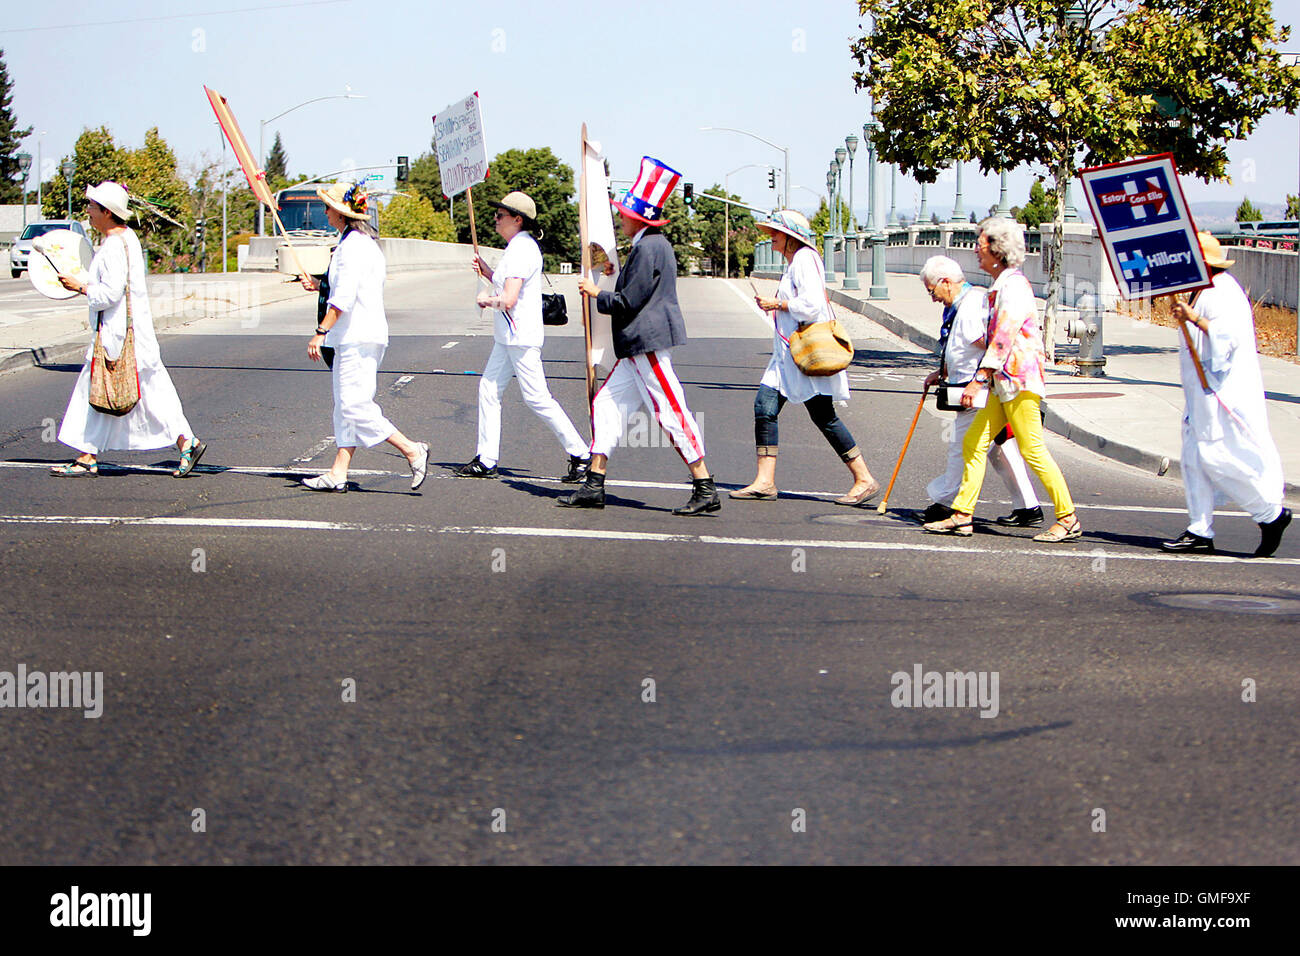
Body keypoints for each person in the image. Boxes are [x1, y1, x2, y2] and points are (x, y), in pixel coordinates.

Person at [564, 156, 719, 515]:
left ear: (638, 217)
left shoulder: (648, 247)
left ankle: (705, 485)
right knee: (605, 405)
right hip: (637, 347)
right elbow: (637, 288)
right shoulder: (652, 244)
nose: (619, 217)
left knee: (671, 411)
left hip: (645, 344)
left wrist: (594, 292)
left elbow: (628, 300)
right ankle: (594, 483)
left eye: (623, 212)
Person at [923, 217, 1081, 541]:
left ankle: (1067, 518)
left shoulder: (1014, 286)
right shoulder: (1001, 285)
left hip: (1019, 380)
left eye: (981, 246)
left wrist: (978, 379)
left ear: (997, 251)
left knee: (1032, 448)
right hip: (1003, 382)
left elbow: (1003, 337)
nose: (976, 252)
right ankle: (962, 515)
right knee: (974, 442)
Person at [51, 181, 206, 478]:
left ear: (107, 212)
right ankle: (183, 442)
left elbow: (110, 294)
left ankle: (184, 442)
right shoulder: (128, 238)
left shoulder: (112, 247)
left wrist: (80, 286)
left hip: (120, 338)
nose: (88, 212)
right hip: (133, 335)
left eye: (92, 207)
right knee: (144, 393)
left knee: (99, 390)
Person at [731, 209, 879, 504]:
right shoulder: (795, 262)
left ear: (789, 236)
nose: (769, 237)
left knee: (823, 416)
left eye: (775, 233)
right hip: (788, 357)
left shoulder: (804, 260)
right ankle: (764, 481)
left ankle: (863, 478)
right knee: (765, 407)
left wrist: (777, 303)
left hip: (804, 356)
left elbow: (810, 305)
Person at [1161, 233, 1290, 557]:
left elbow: (1226, 340)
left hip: (1221, 391)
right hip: (1200, 391)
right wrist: (1185, 315)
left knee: (1214, 458)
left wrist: (1194, 318)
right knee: (1193, 458)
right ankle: (1199, 529)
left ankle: (1269, 514)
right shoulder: (1203, 289)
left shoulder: (1223, 292)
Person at [298, 182, 428, 493]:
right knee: (346, 406)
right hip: (362, 336)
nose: (325, 212)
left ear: (342, 214)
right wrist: (318, 284)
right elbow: (349, 287)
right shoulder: (359, 244)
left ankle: (412, 449)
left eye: (329, 207)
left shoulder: (352, 248)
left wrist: (320, 332)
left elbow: (343, 298)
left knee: (354, 406)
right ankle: (338, 472)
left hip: (357, 337)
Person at [456, 190, 591, 482]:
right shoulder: (519, 247)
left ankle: (581, 453)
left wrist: (485, 300)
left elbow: (508, 298)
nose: (495, 219)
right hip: (509, 337)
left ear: (517, 220)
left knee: (537, 398)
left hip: (519, 336)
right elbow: (505, 283)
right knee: (488, 389)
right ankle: (486, 459)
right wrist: (487, 271)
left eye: (500, 215)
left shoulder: (521, 249)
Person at [918, 255, 1042, 526]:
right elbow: (964, 347)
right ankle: (1028, 506)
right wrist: (943, 372)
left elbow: (987, 343)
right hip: (973, 386)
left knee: (963, 447)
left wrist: (980, 379)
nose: (933, 298)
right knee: (999, 448)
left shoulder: (971, 304)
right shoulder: (964, 302)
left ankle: (947, 503)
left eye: (932, 291)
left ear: (946, 282)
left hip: (975, 390)